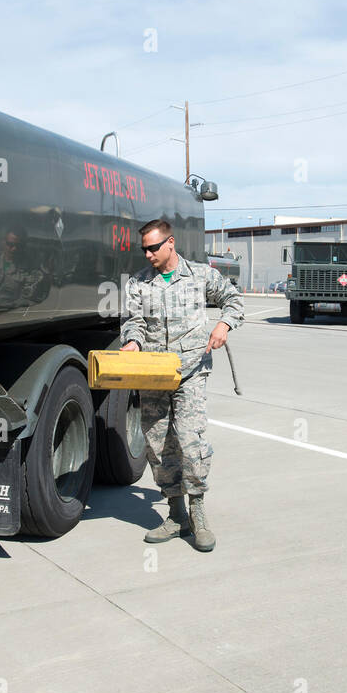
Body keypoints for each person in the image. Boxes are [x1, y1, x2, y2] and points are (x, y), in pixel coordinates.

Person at [120, 219, 244, 552]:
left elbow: (233, 299)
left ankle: (198, 511)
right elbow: (132, 321)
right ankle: (175, 515)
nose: (148, 254)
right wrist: (132, 342)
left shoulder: (201, 275)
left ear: (170, 243)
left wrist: (223, 325)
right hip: (153, 373)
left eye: (153, 247)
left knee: (190, 441)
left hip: (190, 369)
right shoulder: (137, 283)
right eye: (144, 248)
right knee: (159, 445)